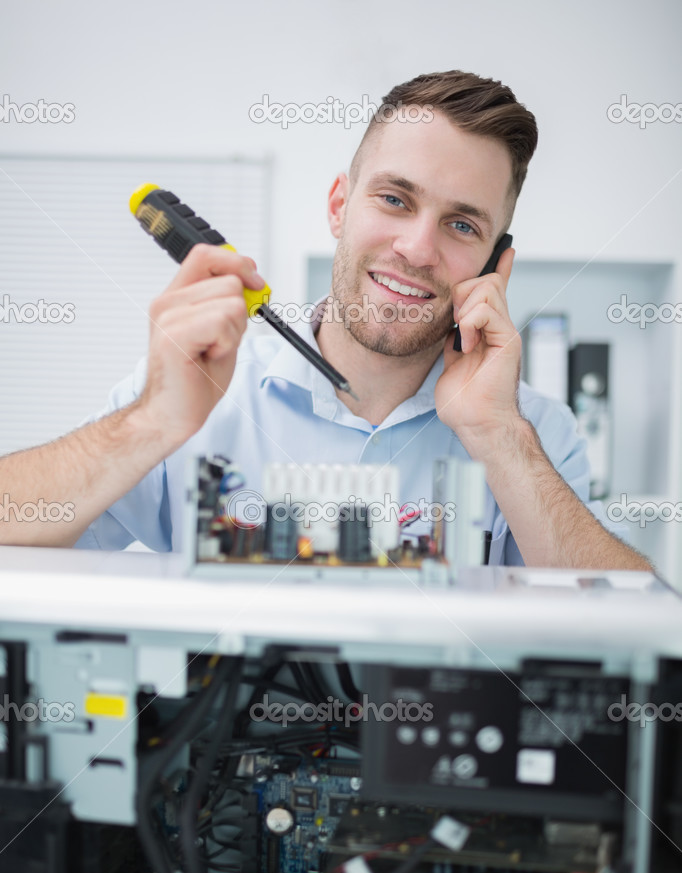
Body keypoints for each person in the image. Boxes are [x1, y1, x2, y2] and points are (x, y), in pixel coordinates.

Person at [0, 70, 652, 570]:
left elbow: (633, 630)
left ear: (496, 262)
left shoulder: (531, 431)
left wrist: (499, 436)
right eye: (395, 199)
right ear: (340, 206)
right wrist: (149, 423)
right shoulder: (193, 395)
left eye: (461, 224)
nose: (417, 249)